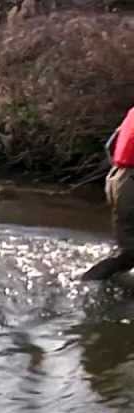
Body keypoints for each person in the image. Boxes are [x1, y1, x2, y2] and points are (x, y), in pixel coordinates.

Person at [81, 105, 134, 281]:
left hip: (117, 177)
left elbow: (110, 146)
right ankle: (88, 281)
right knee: (130, 252)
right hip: (130, 183)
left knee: (126, 243)